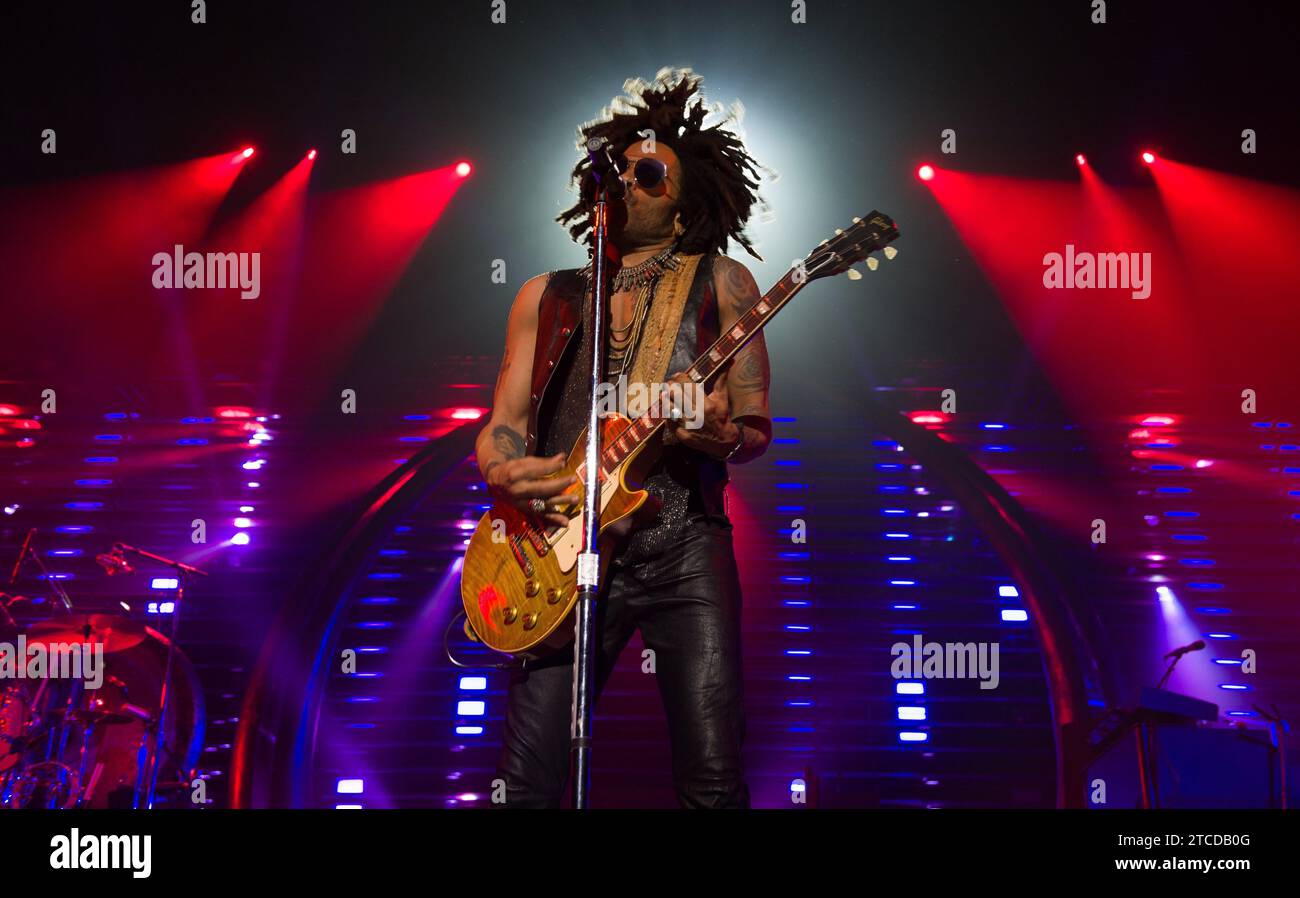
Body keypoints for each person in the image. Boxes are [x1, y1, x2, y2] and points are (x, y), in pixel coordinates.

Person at [474, 69, 772, 808]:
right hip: (563, 551)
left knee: (711, 770)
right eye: (618, 171)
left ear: (685, 204)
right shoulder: (545, 295)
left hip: (683, 545)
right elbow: (504, 426)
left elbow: (754, 431)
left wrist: (713, 433)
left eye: (649, 174)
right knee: (530, 775)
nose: (628, 184)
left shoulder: (724, 282)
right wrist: (503, 471)